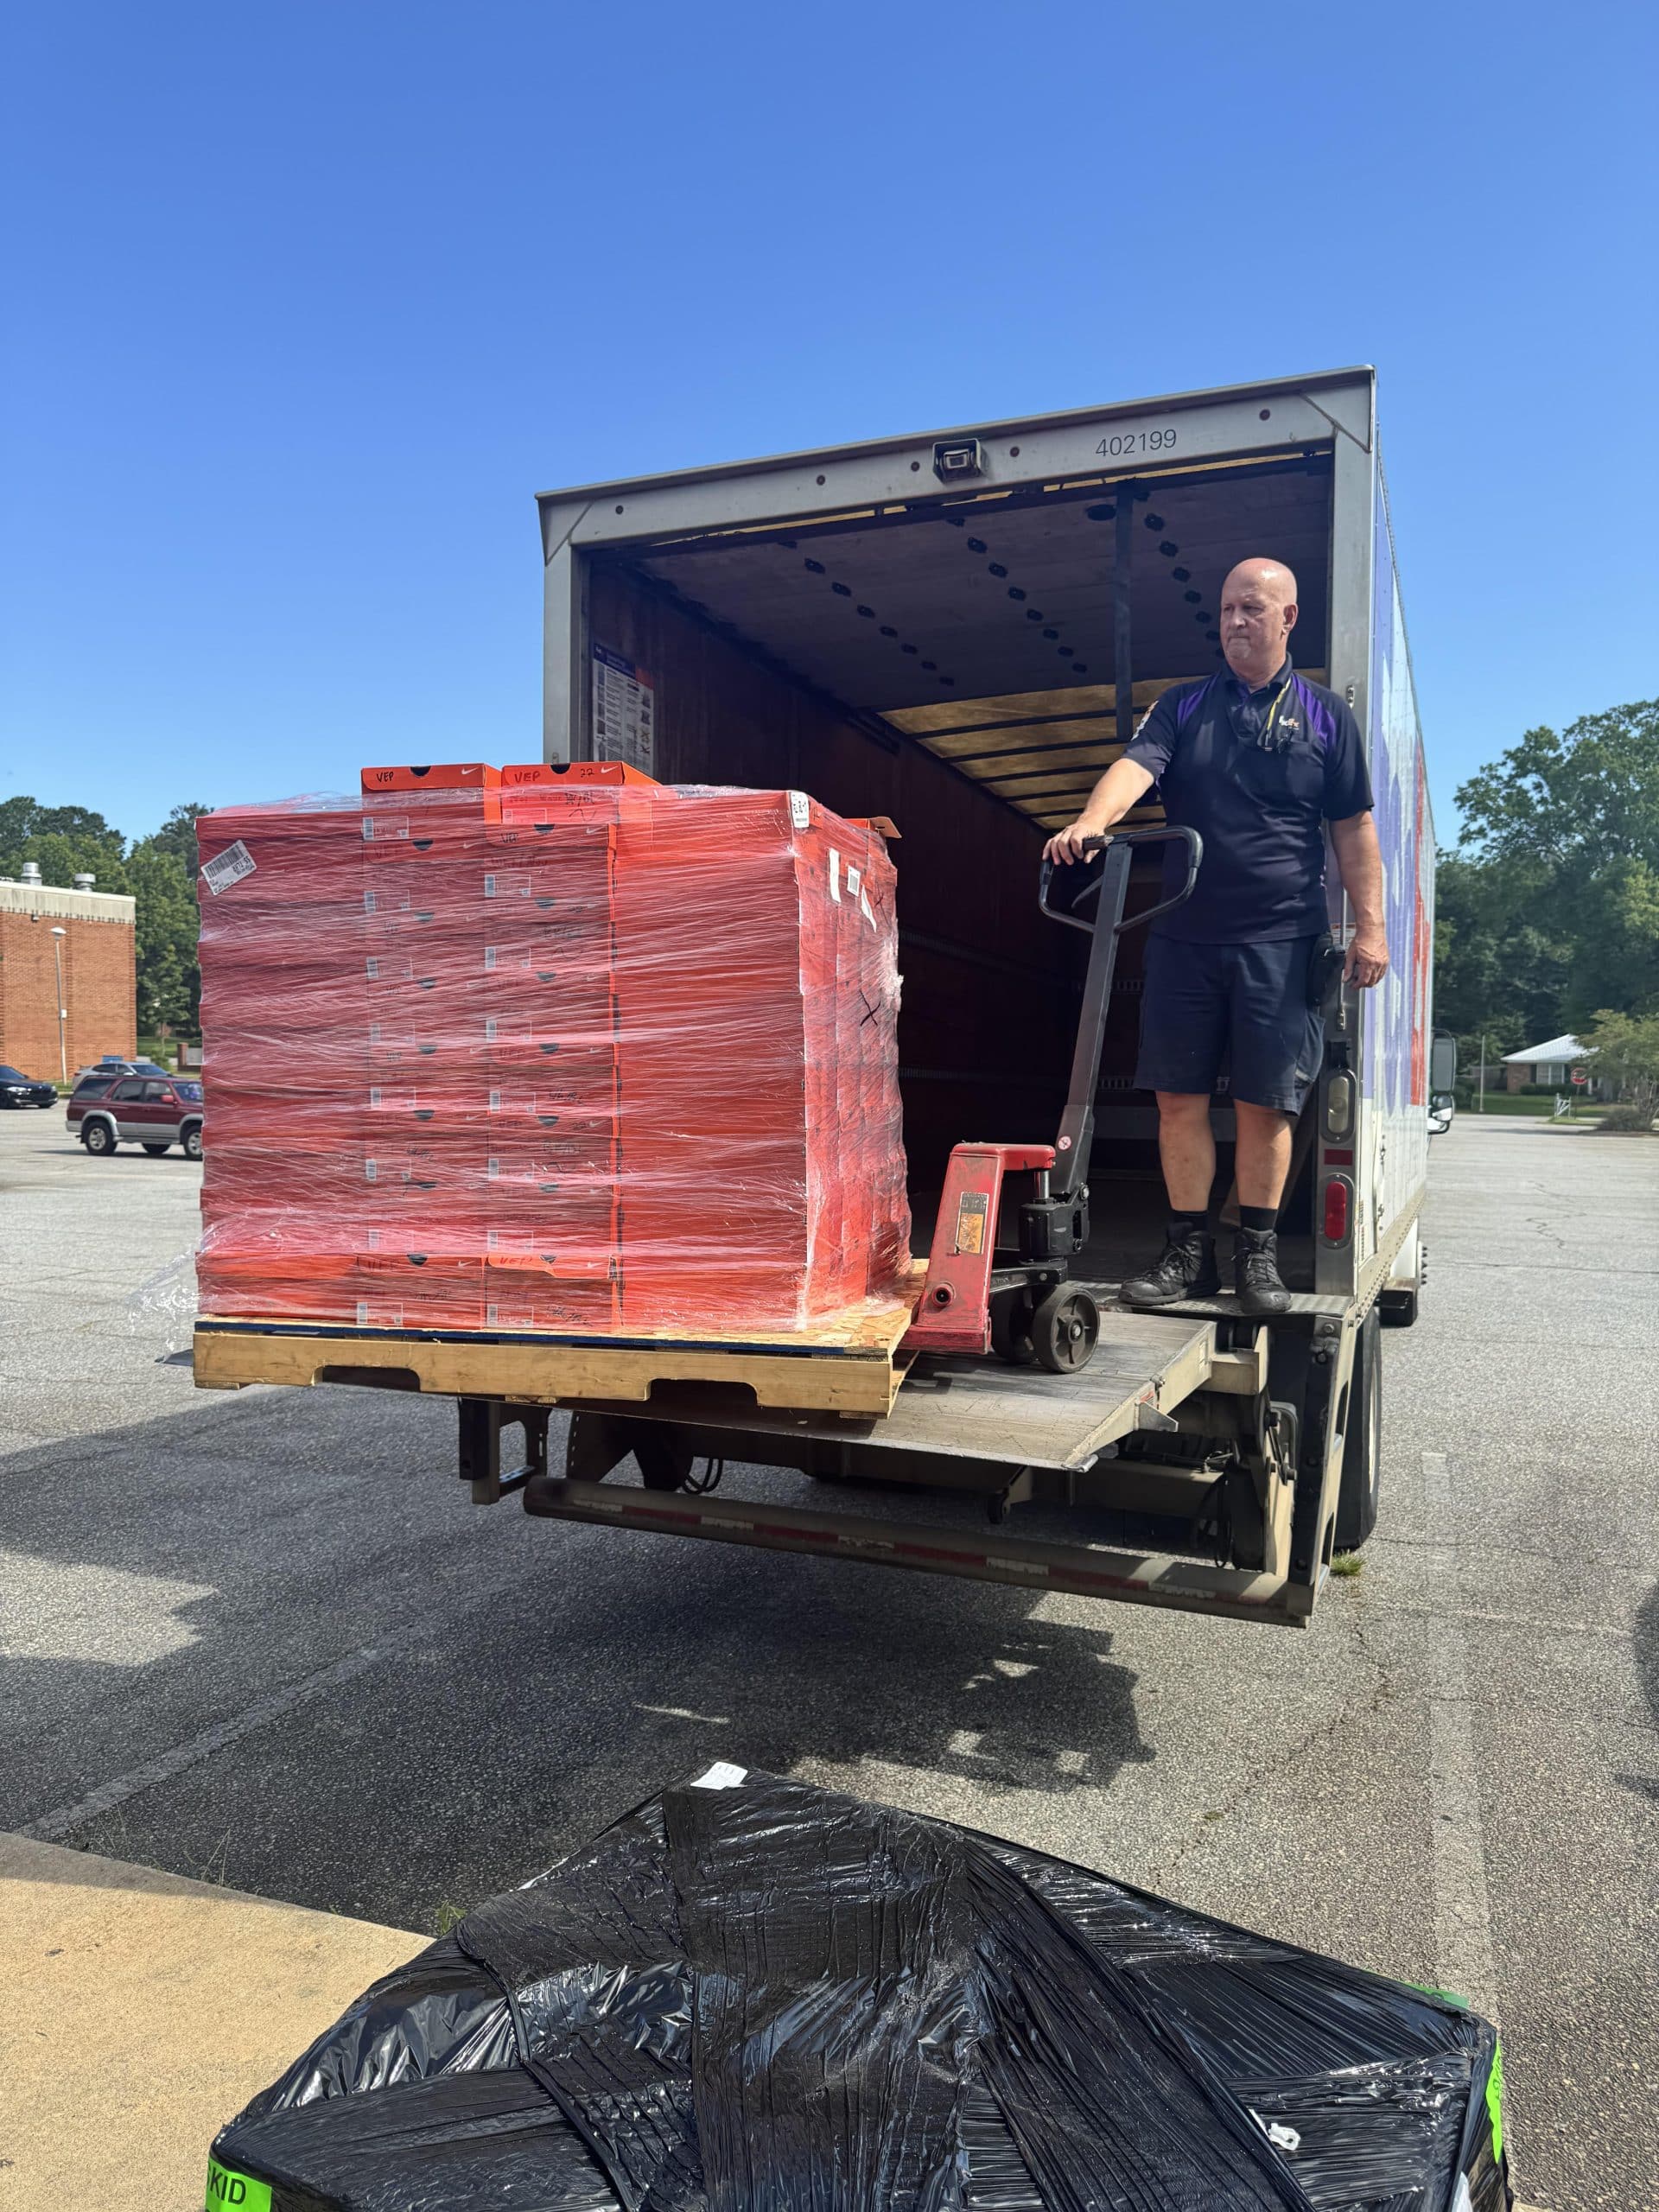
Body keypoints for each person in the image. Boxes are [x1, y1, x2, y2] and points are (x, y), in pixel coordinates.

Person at [1044, 558, 1388, 1317]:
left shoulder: (1327, 717)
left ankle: (1256, 1261)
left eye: (1253, 609)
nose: (1236, 621)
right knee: (1179, 1101)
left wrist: (1372, 930)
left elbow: (1355, 830)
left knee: (1268, 1106)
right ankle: (1186, 1256)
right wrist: (1093, 822)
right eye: (1228, 608)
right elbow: (1137, 765)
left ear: (1288, 619)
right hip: (1184, 938)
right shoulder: (1185, 705)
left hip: (1283, 940)